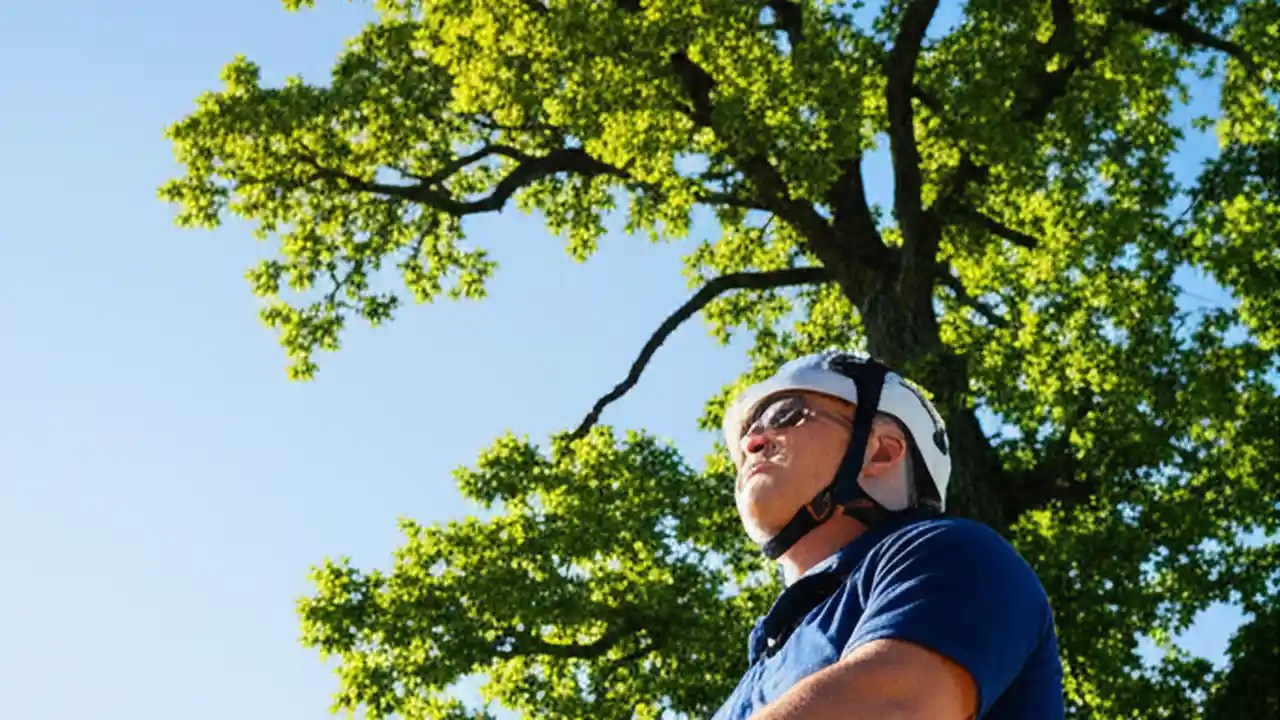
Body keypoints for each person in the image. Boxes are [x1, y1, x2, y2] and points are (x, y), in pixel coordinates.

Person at [710, 350, 1064, 719]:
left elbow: (891, 707)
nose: (751, 443)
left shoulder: (959, 555)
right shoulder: (764, 661)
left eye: (783, 415)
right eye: (744, 440)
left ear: (881, 451)